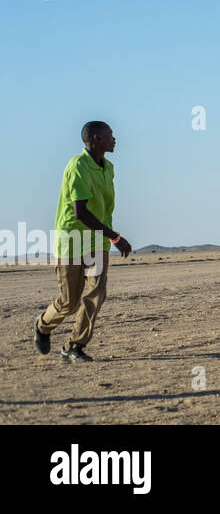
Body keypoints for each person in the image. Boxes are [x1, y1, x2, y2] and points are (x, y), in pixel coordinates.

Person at [34, 121, 133, 363]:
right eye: (110, 134)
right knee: (69, 302)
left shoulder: (108, 168)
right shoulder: (78, 166)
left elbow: (104, 206)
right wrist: (115, 236)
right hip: (72, 240)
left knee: (97, 293)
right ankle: (43, 325)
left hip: (97, 242)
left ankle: (73, 346)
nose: (114, 138)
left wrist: (108, 237)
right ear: (97, 139)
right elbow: (81, 212)